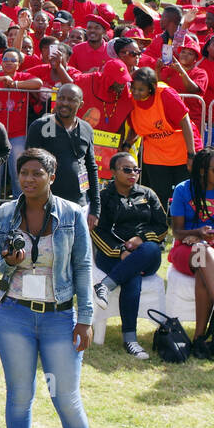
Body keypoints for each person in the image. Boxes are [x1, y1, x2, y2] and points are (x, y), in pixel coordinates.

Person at [0, 147, 93, 428]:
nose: (29, 179)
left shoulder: (71, 214)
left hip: (58, 318)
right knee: (20, 397)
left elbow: (83, 267)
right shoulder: (4, 214)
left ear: (52, 177)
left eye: (37, 173)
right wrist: (9, 262)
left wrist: (84, 318)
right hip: (14, 315)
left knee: (66, 398)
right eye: (23, 173)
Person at [90, 151, 168, 359]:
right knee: (132, 276)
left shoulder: (148, 194)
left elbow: (162, 227)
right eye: (127, 169)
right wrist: (120, 251)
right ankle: (131, 340)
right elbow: (97, 230)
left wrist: (141, 238)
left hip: (146, 254)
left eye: (136, 169)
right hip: (111, 254)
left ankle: (105, 285)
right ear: (114, 172)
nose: (133, 173)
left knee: (150, 248)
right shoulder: (103, 197)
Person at [168, 147, 214, 358]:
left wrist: (207, 240)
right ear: (202, 171)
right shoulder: (183, 190)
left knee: (204, 259)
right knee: (202, 253)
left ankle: (199, 339)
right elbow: (176, 232)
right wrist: (196, 233)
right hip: (185, 250)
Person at [127, 67, 197, 209]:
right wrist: (126, 145)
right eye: (133, 88)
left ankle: (184, 223)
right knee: (159, 193)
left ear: (151, 88)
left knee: (184, 192)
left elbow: (185, 122)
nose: (135, 92)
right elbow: (135, 128)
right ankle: (159, 224)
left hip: (181, 150)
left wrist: (191, 155)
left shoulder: (165, 94)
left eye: (141, 90)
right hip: (156, 154)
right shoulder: (131, 100)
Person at [25, 83, 99, 212]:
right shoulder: (39, 126)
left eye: (71, 100)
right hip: (46, 203)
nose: (64, 103)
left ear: (81, 104)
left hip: (79, 204)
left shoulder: (87, 129)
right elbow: (27, 165)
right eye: (61, 98)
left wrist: (95, 208)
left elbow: (91, 167)